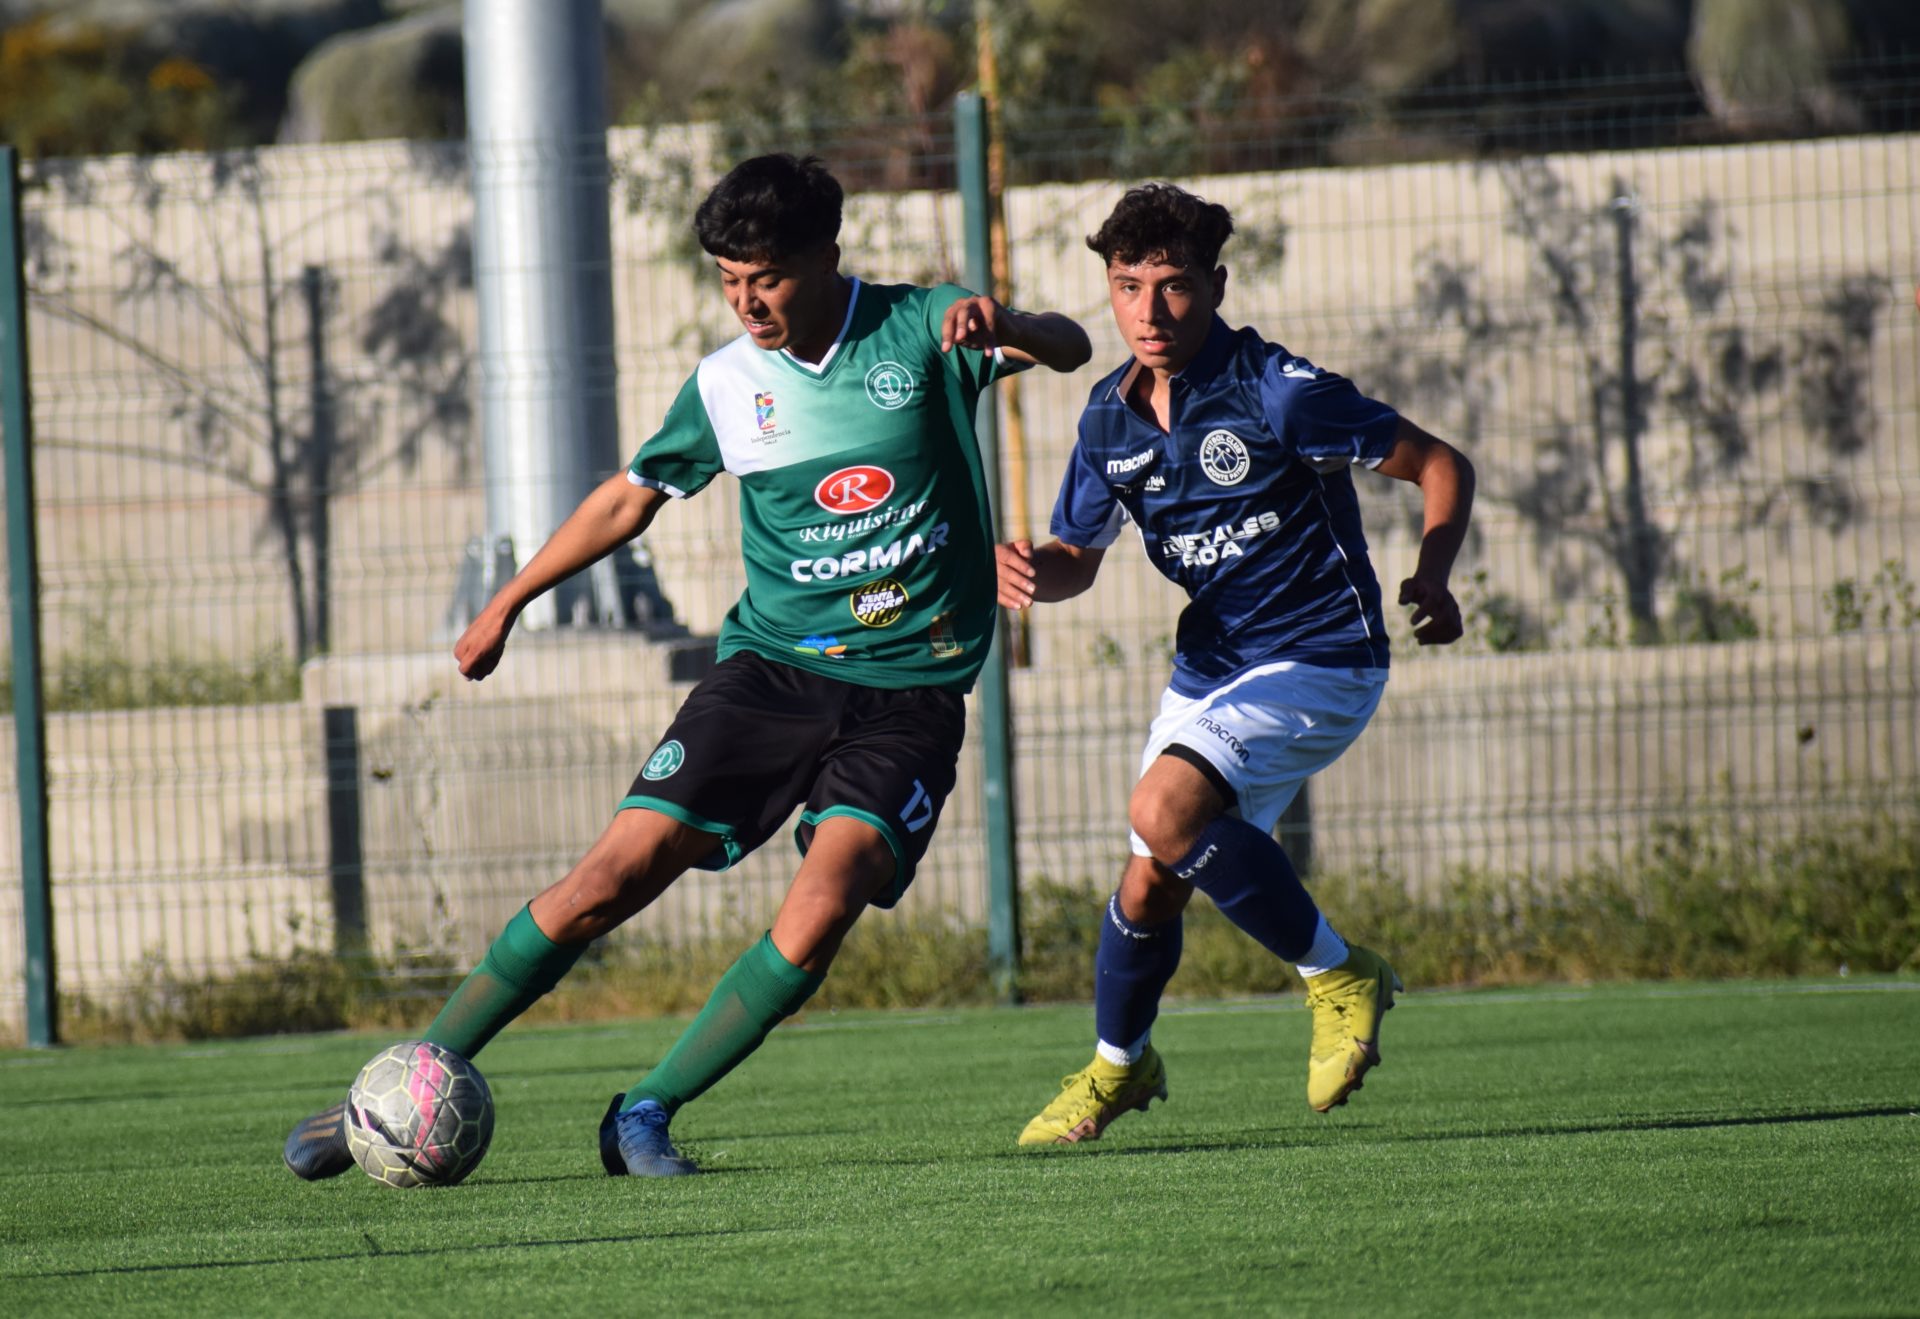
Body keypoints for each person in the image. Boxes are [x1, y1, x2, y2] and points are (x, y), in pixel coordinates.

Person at [284, 152, 1091, 1179]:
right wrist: (507, 600)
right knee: (607, 878)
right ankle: (393, 1089)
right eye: (728, 280)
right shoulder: (725, 384)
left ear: (826, 256)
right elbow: (630, 498)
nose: (747, 302)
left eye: (768, 277)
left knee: (825, 903)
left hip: (912, 691)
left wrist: (1007, 321)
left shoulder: (922, 327)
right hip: (772, 674)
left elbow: (1071, 345)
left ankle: (644, 1112)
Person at [1001, 182, 1473, 1145]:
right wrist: (1024, 571)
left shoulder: (1277, 392)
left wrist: (1433, 571)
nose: (1149, 311)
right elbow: (1076, 559)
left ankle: (1339, 974)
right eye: (1128, 287)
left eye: (1173, 285)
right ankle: (1119, 1067)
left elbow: (1438, 462)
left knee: (1162, 809)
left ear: (1216, 286)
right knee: (1148, 884)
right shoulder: (1107, 419)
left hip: (1322, 654)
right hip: (1212, 669)